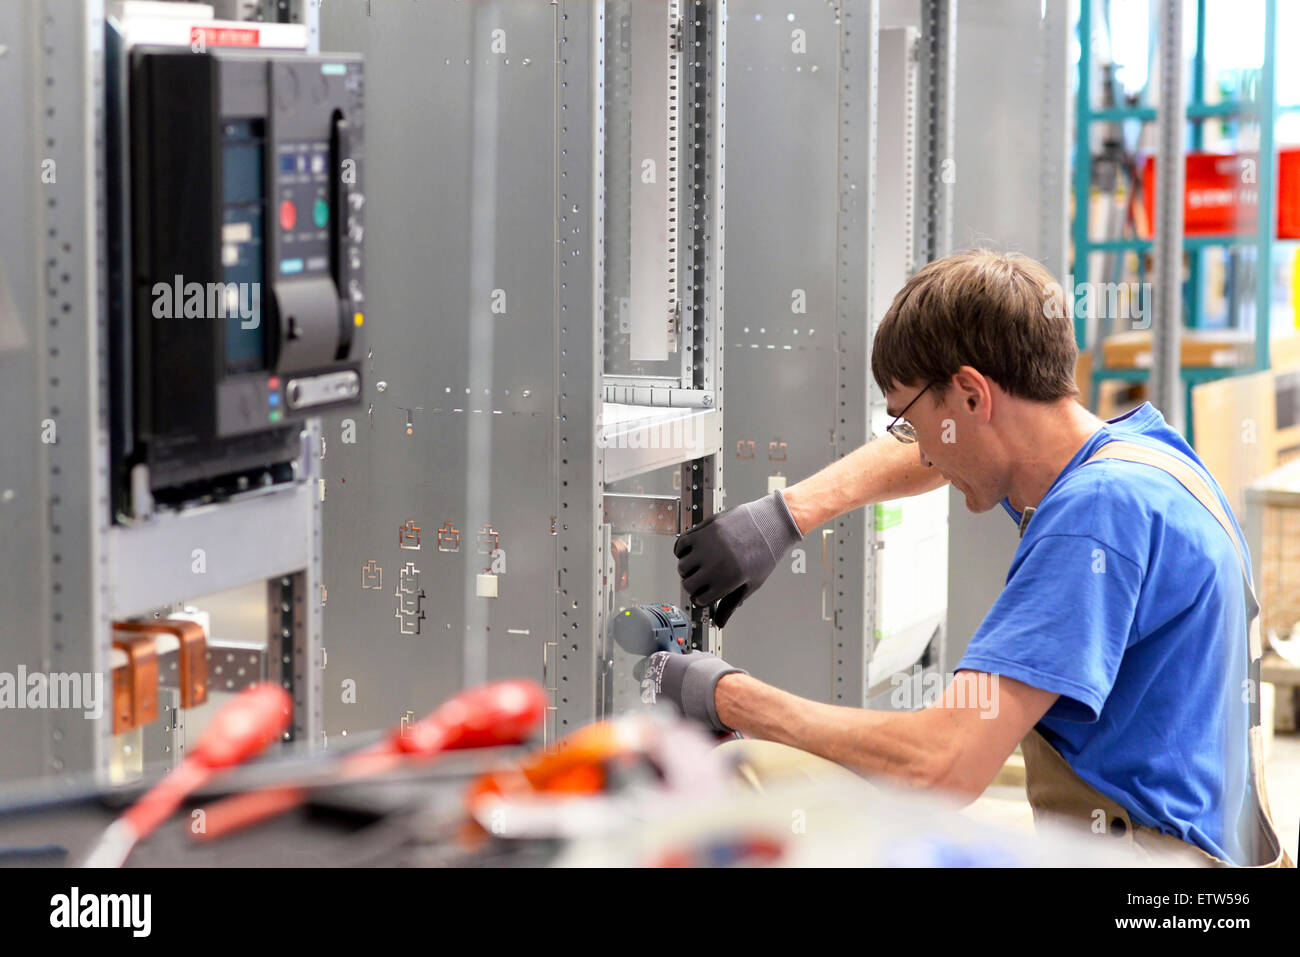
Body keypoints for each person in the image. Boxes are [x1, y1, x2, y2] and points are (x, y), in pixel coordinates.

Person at [648, 249, 1291, 867]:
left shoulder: (1092, 521)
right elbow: (941, 446)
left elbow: (939, 766)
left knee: (751, 773)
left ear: (973, 395)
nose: (921, 452)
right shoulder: (1134, 457)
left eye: (906, 421)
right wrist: (782, 518)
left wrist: (727, 696)